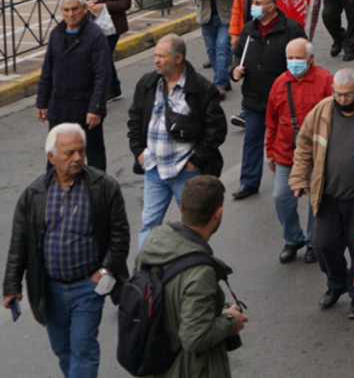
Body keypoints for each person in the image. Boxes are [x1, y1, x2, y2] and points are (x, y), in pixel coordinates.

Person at [3, 124, 129, 378]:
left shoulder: (104, 187)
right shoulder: (34, 194)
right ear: (51, 157)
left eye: (81, 151)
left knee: (83, 349)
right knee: (63, 349)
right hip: (50, 290)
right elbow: (19, 244)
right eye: (69, 152)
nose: (78, 158)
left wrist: (105, 271)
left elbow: (120, 236)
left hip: (88, 288)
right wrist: (11, 286)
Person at [291, 69, 354, 319]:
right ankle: (336, 284)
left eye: (347, 94)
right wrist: (298, 178)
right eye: (337, 94)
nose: (342, 99)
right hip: (328, 196)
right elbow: (303, 146)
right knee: (323, 245)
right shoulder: (321, 112)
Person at [134, 176, 247, 373]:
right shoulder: (201, 272)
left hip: (156, 362)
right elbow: (195, 338)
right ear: (218, 214)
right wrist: (230, 321)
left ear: (182, 208)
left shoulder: (153, 243)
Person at [128, 35, 228, 249]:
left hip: (185, 172)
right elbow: (135, 119)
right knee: (149, 224)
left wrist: (196, 161)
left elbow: (216, 129)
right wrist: (139, 152)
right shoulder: (148, 84)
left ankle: (192, 264)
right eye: (155, 55)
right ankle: (146, 266)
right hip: (154, 169)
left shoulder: (201, 88)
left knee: (194, 228)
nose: (156, 60)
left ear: (178, 58)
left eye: (161, 56)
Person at [228, 0, 306, 201]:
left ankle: (288, 179)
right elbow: (237, 56)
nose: (253, 7)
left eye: (258, 3)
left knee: (284, 141)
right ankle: (249, 181)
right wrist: (234, 70)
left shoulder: (291, 29)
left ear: (271, 7)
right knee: (252, 139)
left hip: (283, 99)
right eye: (253, 2)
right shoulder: (249, 30)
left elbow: (303, 57)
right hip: (254, 96)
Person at [263, 37, 331, 266]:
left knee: (316, 200)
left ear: (311, 58)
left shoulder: (325, 81)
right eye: (290, 58)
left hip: (316, 155)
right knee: (281, 196)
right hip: (285, 154)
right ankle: (292, 239)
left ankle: (312, 241)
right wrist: (270, 151)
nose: (294, 62)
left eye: (298, 58)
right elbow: (271, 120)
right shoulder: (279, 84)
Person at [36, 0, 114, 171]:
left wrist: (96, 108)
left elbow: (102, 75)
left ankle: (96, 188)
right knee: (56, 155)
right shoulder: (56, 34)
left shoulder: (95, 36)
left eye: (74, 9)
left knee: (94, 156)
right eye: (66, 10)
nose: (70, 14)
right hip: (59, 108)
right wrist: (41, 101)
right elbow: (47, 70)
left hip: (85, 109)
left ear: (84, 9)